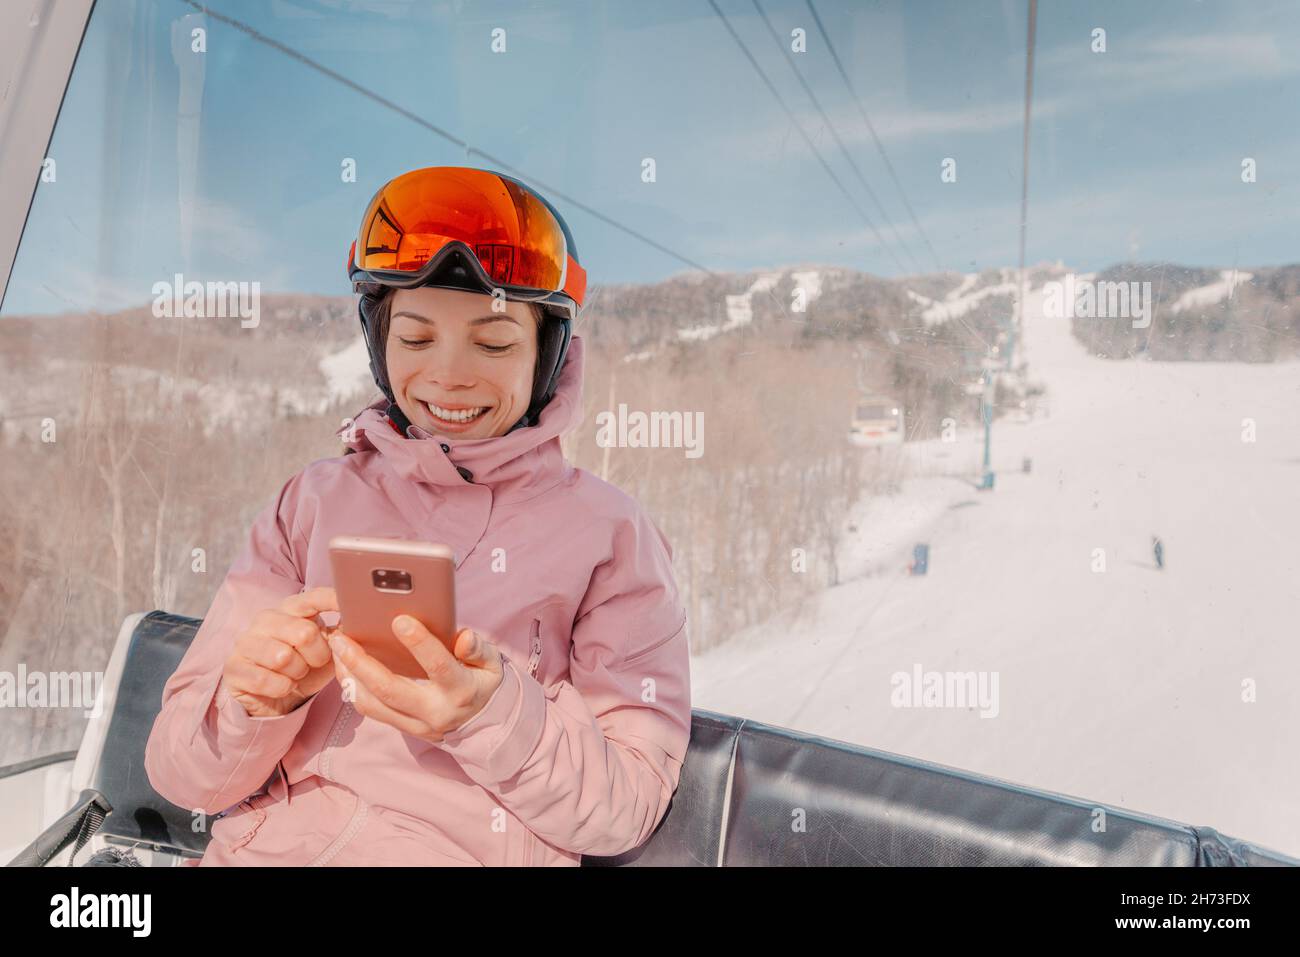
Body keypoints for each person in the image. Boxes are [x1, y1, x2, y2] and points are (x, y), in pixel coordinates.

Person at [144, 167, 692, 866]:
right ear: (379, 343)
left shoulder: (610, 536)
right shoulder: (309, 504)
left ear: (547, 356)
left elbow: (627, 804)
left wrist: (487, 716)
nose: (450, 374)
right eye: (416, 337)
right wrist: (252, 701)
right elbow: (182, 776)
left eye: (493, 343)